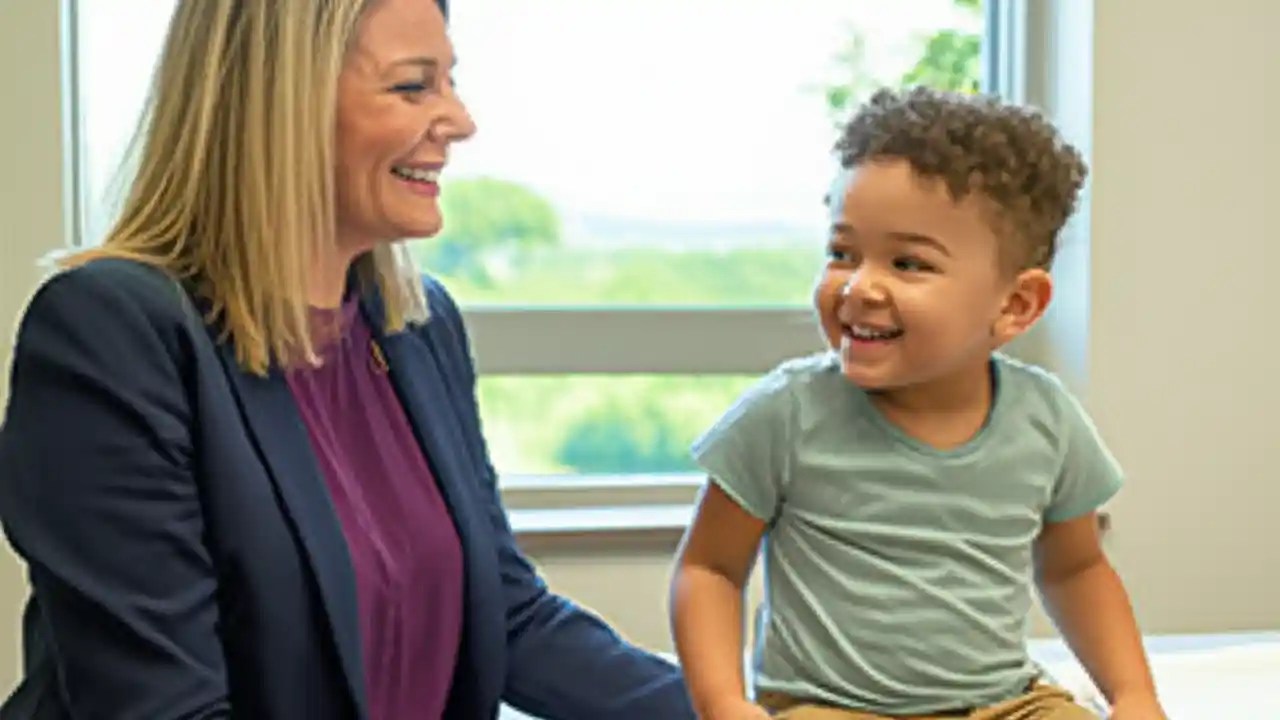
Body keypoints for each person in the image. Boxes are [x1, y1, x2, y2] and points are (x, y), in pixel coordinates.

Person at [0, 1, 695, 718]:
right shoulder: (114, 332)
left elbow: (509, 617)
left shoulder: (419, 326)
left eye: (449, 82)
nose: (459, 121)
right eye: (413, 86)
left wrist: (739, 710)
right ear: (284, 104)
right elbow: (161, 707)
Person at [669, 87, 1167, 720]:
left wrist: (1135, 697)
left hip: (1000, 703)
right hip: (830, 706)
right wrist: (723, 703)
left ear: (1015, 305)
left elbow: (1076, 570)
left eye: (907, 263)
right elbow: (709, 568)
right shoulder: (787, 413)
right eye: (841, 252)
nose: (857, 285)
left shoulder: (1047, 420)